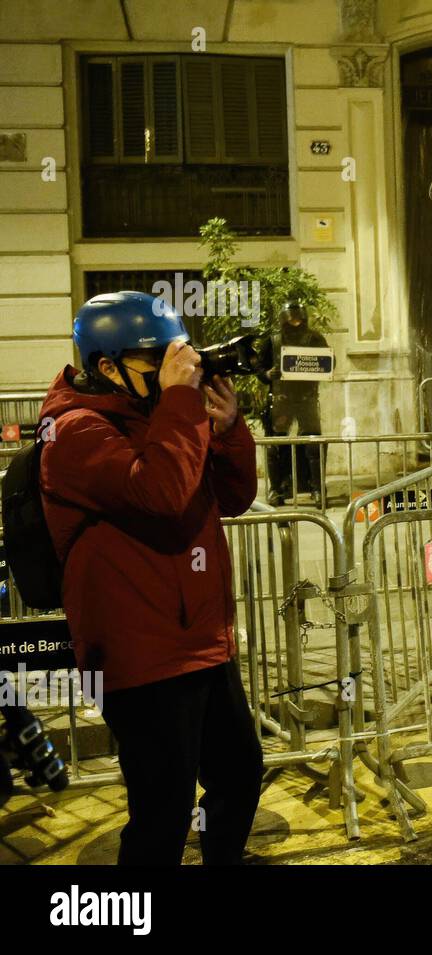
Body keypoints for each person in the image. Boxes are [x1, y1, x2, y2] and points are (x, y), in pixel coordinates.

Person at [39, 291, 263, 865]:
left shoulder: (162, 417)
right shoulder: (74, 433)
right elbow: (161, 494)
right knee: (163, 812)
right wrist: (182, 403)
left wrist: (229, 426)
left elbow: (234, 497)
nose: (173, 373)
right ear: (107, 368)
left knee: (238, 777)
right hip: (140, 655)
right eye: (156, 363)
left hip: (202, 642)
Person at [263, 301, 327, 507]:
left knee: (313, 445)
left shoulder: (315, 339)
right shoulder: (272, 341)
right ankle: (277, 488)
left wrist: (324, 364)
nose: (295, 322)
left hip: (306, 398)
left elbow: (327, 362)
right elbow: (258, 367)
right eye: (291, 319)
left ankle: (317, 488)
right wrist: (267, 374)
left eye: (298, 319)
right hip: (282, 399)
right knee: (275, 446)